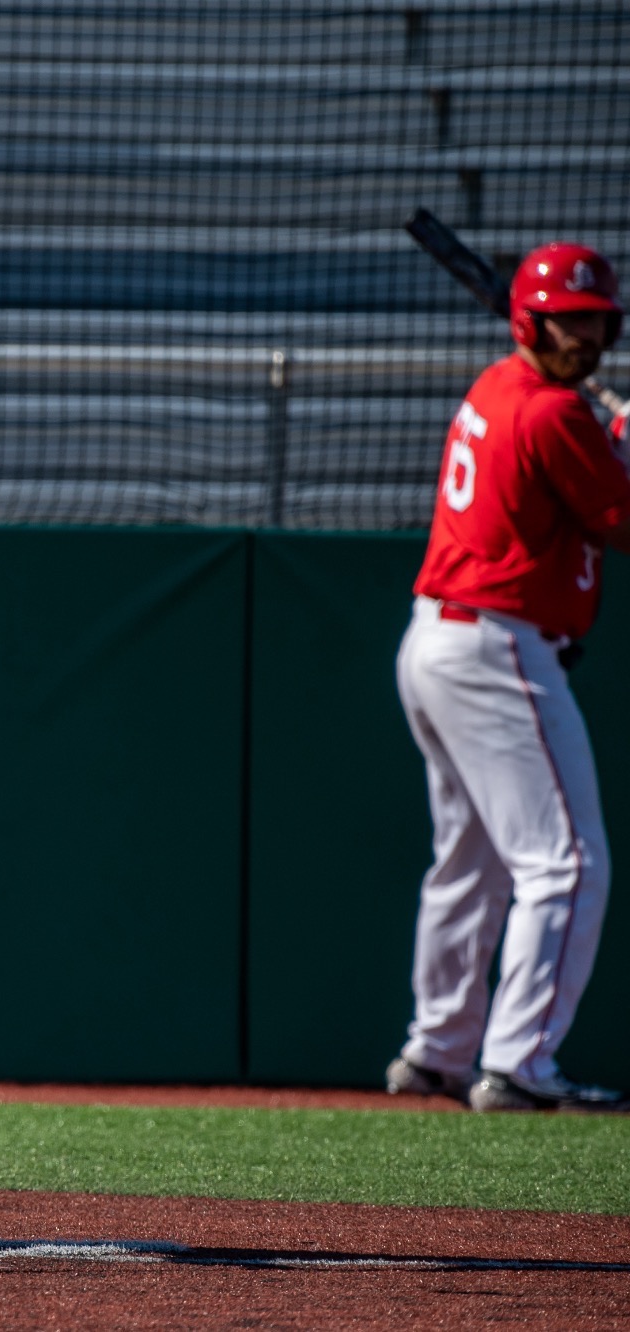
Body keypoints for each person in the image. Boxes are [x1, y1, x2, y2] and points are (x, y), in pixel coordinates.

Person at [387, 241, 630, 1113]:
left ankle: (438, 1051)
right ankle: (520, 1065)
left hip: (439, 642)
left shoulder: (504, 386)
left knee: (473, 861)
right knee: (566, 864)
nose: (589, 338)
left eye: (599, 323)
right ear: (532, 321)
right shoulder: (553, 413)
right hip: (494, 649)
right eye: (572, 323)